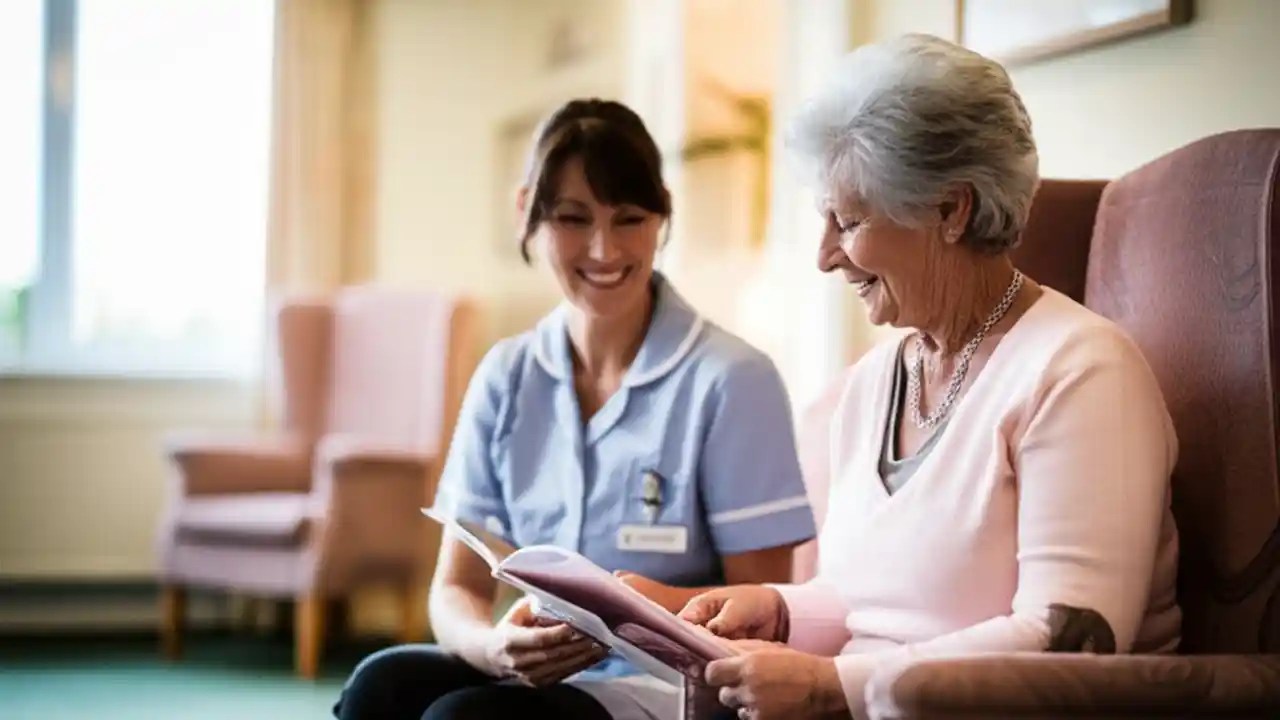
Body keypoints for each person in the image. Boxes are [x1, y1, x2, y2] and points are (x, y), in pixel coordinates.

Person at [671, 34, 1181, 720]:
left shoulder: (1082, 372)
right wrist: (779, 612)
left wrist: (831, 688)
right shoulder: (874, 381)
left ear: (951, 210)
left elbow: (1075, 640)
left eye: (848, 221)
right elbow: (872, 604)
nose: (825, 256)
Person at [332, 98, 817, 720]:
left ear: (662, 213)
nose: (603, 249)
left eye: (630, 218)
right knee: (380, 685)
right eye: (572, 218)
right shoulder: (506, 375)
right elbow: (455, 587)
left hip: (666, 692)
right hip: (533, 679)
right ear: (525, 212)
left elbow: (768, 609)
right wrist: (494, 647)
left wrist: (643, 603)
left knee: (460, 718)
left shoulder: (732, 380)